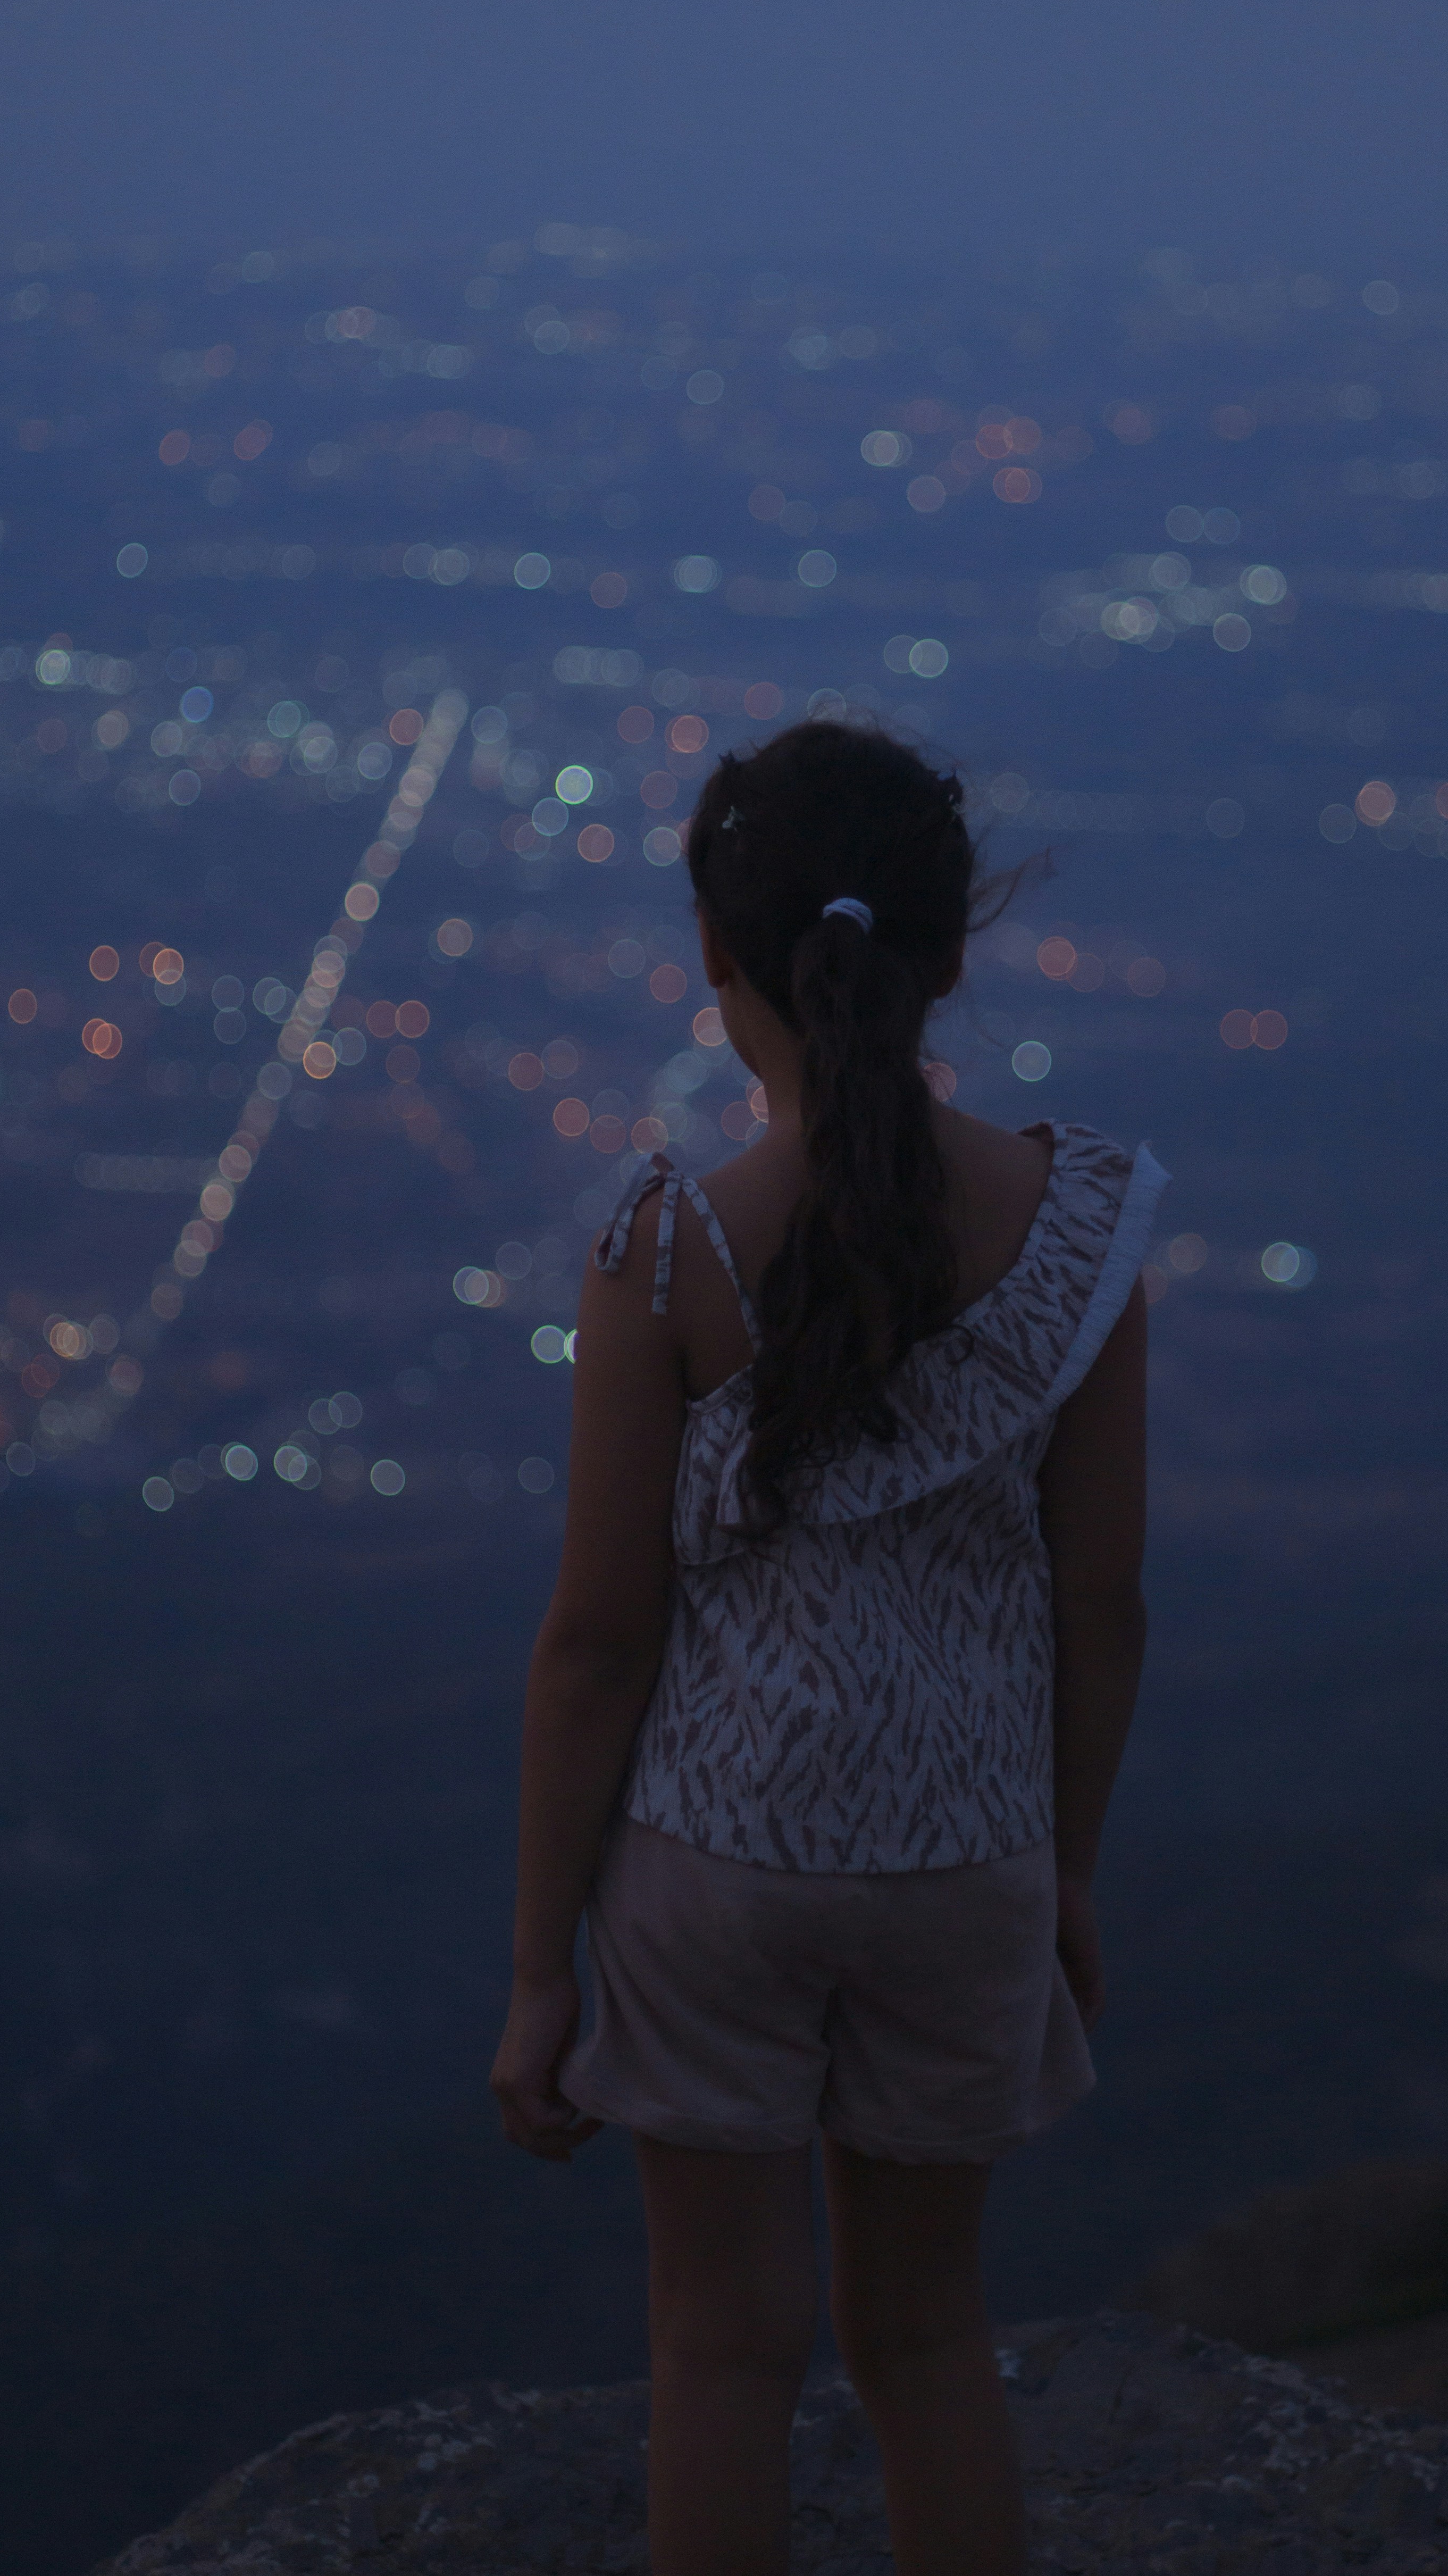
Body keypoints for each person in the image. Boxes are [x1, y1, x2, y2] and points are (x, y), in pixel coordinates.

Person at [490, 718, 1164, 2576]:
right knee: (929, 2339)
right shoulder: (1080, 1232)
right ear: (949, 960)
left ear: (720, 964)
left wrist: (543, 1971)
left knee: (719, 2351)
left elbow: (596, 1645)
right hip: (968, 1858)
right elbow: (1101, 1601)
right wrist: (1066, 1874)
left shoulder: (669, 1249)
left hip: (716, 1864)